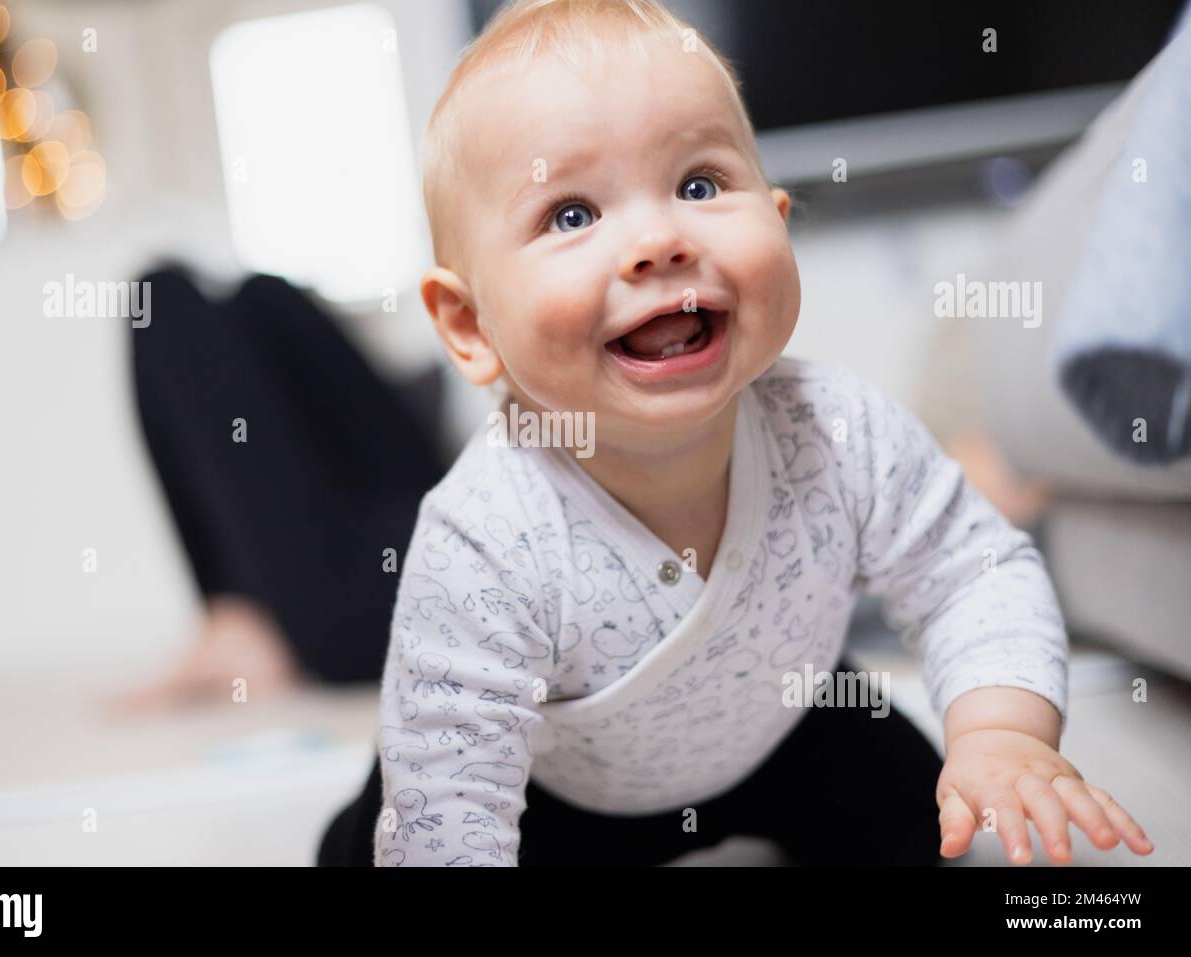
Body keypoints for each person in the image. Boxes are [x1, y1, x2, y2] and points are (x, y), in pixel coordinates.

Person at [320, 0, 1154, 867]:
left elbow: (967, 569)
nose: (657, 239)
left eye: (699, 185)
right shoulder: (482, 538)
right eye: (571, 214)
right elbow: (452, 796)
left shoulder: (839, 431)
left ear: (778, 219)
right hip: (560, 787)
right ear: (469, 323)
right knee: (405, 829)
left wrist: (1001, 730)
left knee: (930, 832)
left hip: (790, 721)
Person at [116, 268, 449, 712]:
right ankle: (236, 616)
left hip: (395, 594)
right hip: (430, 521)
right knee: (265, 293)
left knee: (159, 295)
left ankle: (234, 615)